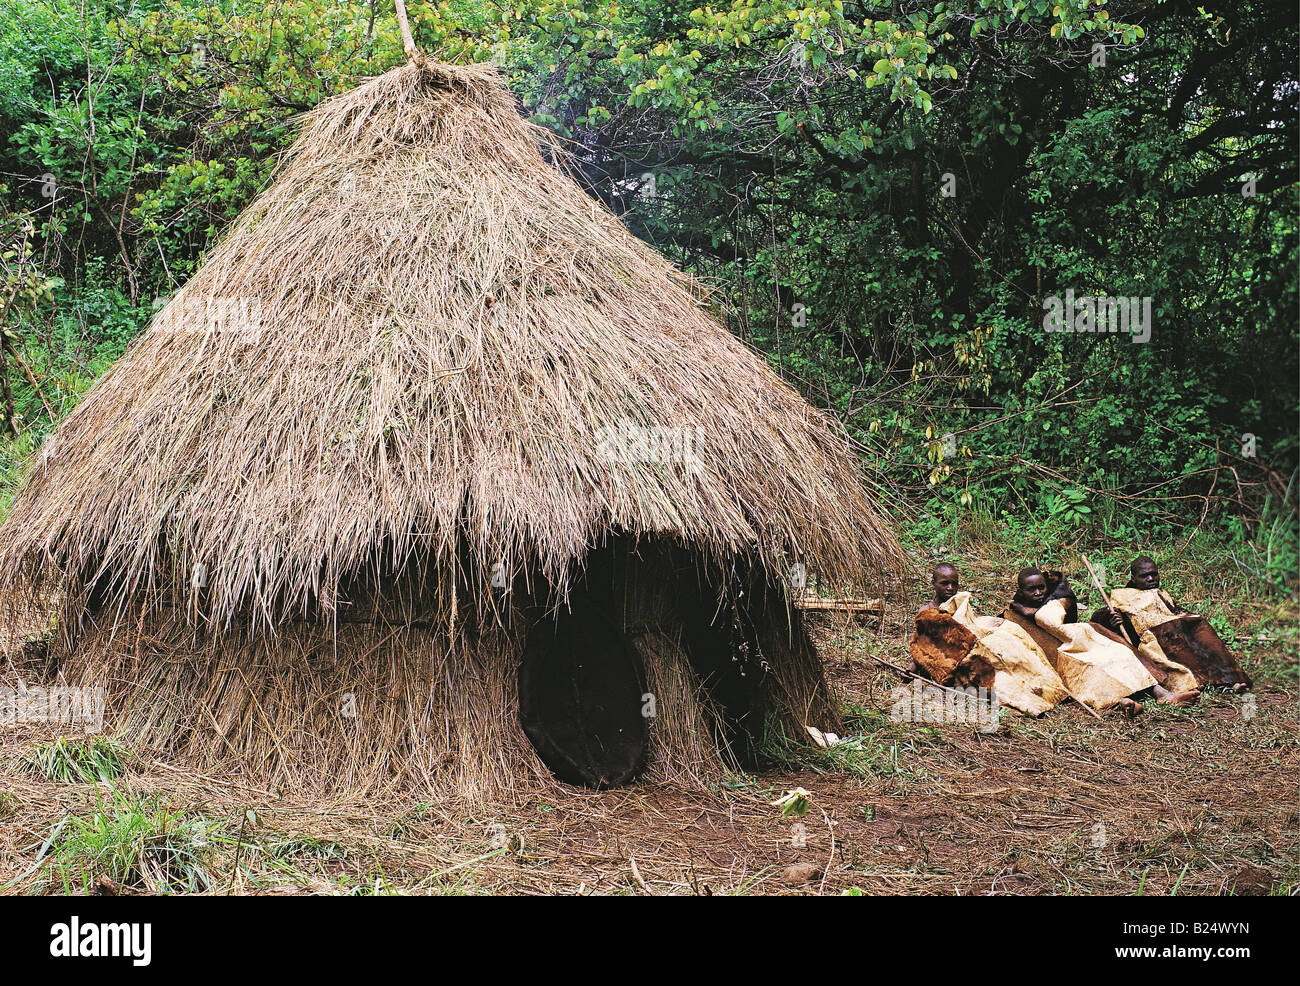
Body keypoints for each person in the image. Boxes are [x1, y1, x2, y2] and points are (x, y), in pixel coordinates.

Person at [1004, 567, 1200, 715]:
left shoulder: (1055, 600)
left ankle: (1162, 694)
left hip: (1078, 642)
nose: (1038, 593)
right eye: (1032, 590)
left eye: (1041, 588)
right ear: (1021, 591)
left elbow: (1065, 621)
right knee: (1091, 669)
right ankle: (1121, 701)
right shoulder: (1013, 614)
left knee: (1120, 653)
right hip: (1057, 657)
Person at [909, 564, 1068, 716]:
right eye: (944, 583)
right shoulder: (927, 612)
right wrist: (915, 664)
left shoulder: (961, 604)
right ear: (933, 584)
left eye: (954, 584)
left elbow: (972, 626)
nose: (950, 588)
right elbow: (923, 644)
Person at [1097, 557, 1251, 691]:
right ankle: (1195, 681)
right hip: (1153, 639)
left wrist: (1190, 620)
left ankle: (1232, 679)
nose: (1151, 579)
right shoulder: (1123, 596)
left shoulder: (1161, 593)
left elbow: (1176, 611)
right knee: (1177, 643)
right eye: (1144, 576)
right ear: (1133, 578)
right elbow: (1100, 617)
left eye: (1154, 574)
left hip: (1174, 629)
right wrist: (1112, 619)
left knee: (1202, 631)